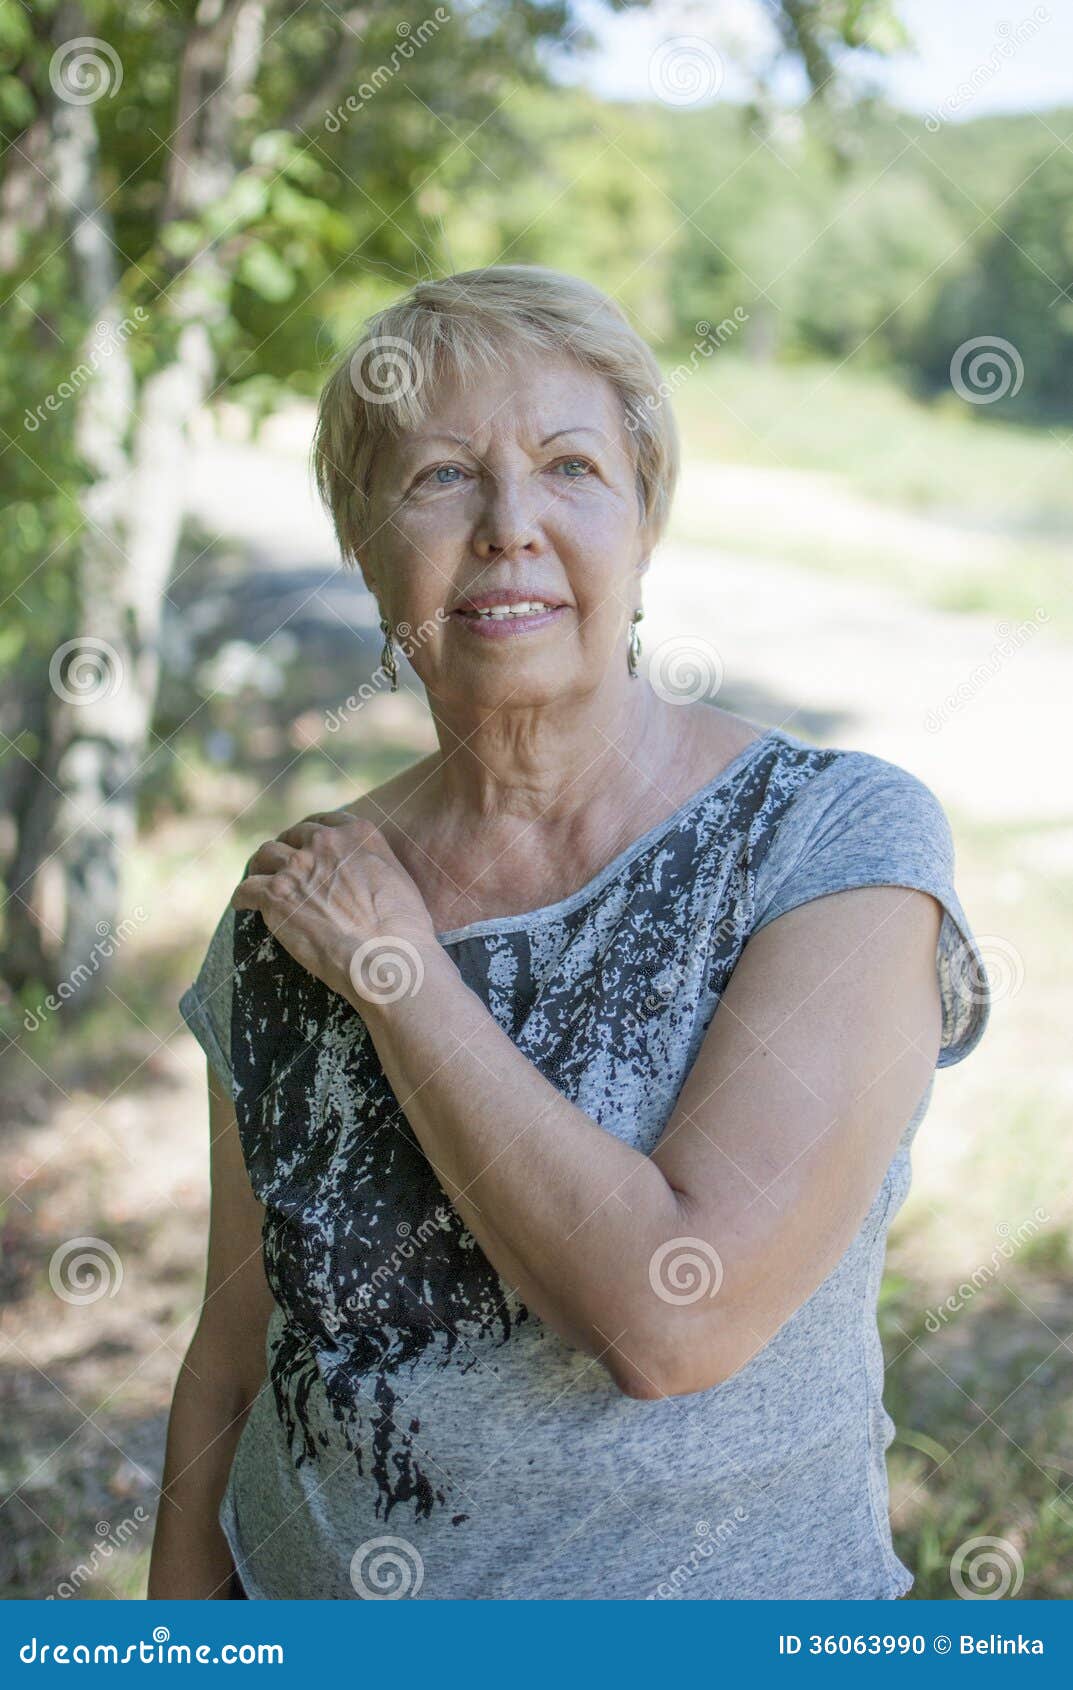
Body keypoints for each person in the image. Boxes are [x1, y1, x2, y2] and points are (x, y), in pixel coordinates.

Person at [148, 265, 990, 1601]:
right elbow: (237, 1349)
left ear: (643, 519)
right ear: (366, 550)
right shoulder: (294, 903)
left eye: (568, 466)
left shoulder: (828, 839)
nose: (508, 525)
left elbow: (674, 1312)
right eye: (436, 478)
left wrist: (399, 975)